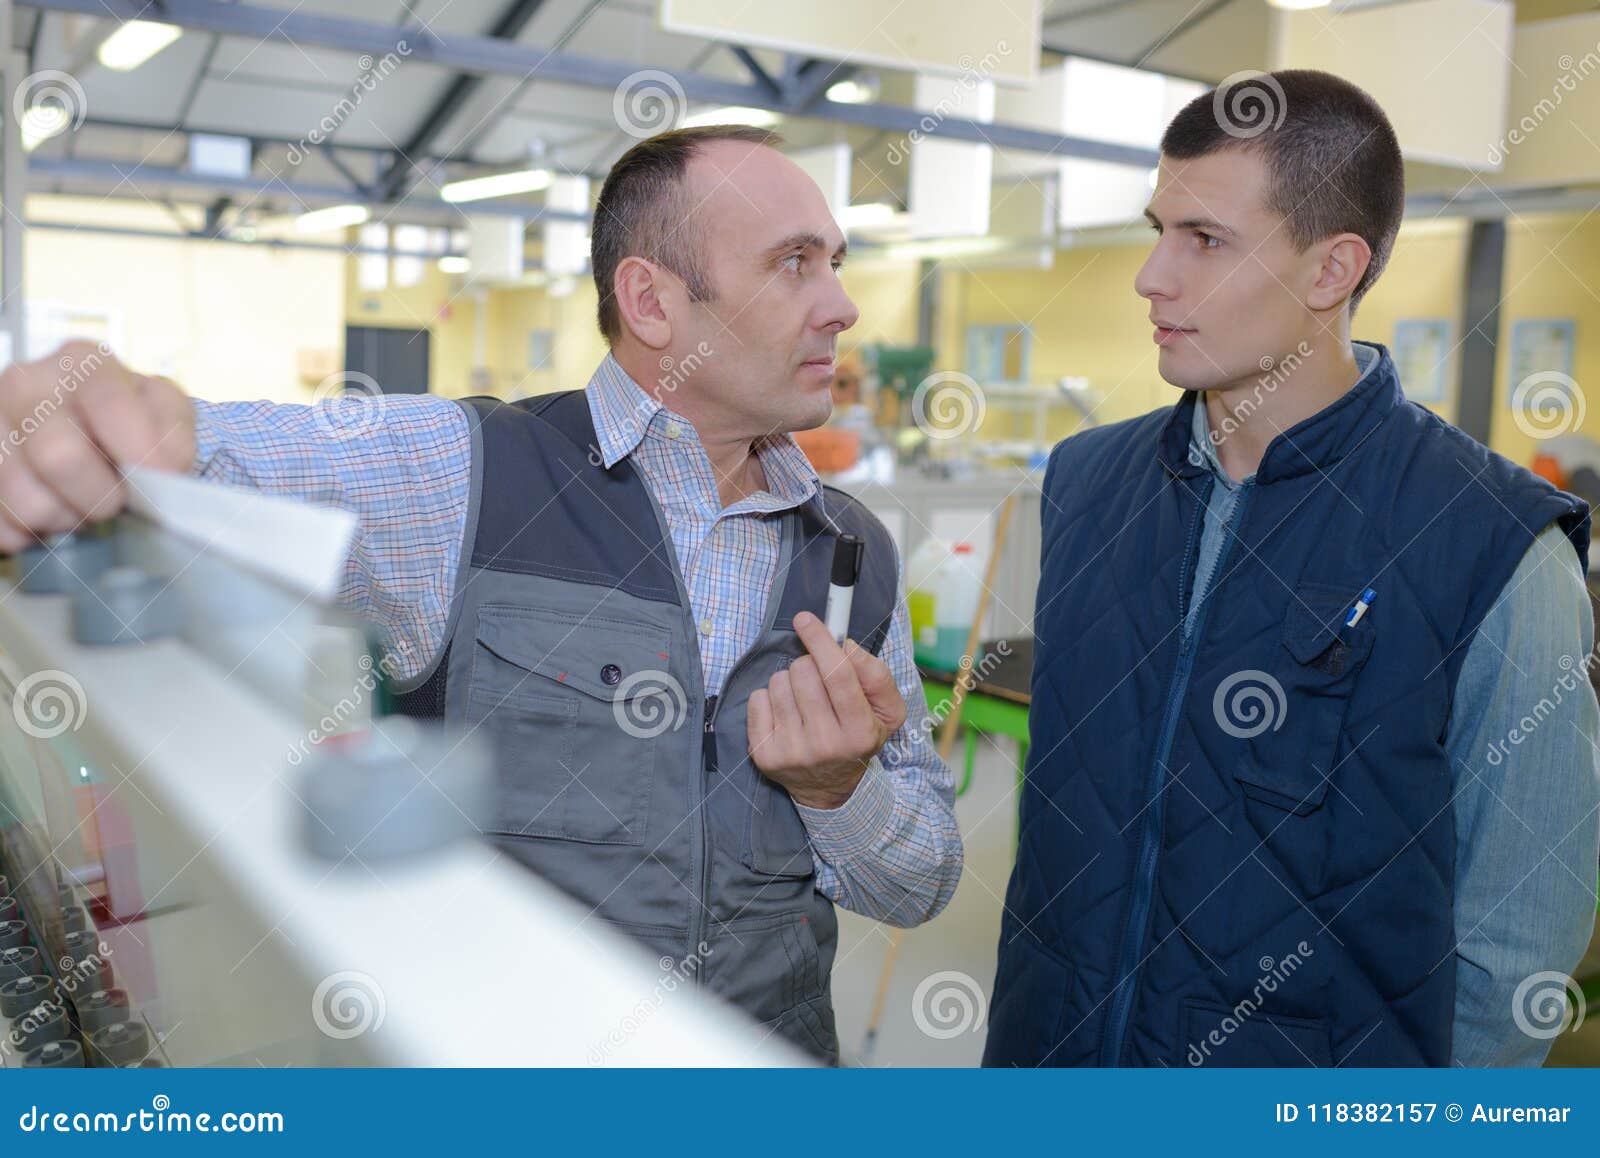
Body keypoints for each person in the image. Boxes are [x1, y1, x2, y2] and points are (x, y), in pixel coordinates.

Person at [0, 125, 962, 1063]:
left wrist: (841, 789)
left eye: (835, 260)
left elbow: (921, 881)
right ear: (653, 303)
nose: (842, 306)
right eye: (795, 262)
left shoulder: (851, 552)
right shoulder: (464, 475)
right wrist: (89, 413)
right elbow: (210, 450)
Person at [986, 70, 1600, 1067]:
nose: (1152, 277)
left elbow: (1512, 944)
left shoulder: (1491, 545)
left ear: (1330, 272)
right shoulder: (1086, 484)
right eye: (1157, 230)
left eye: (1205, 241)